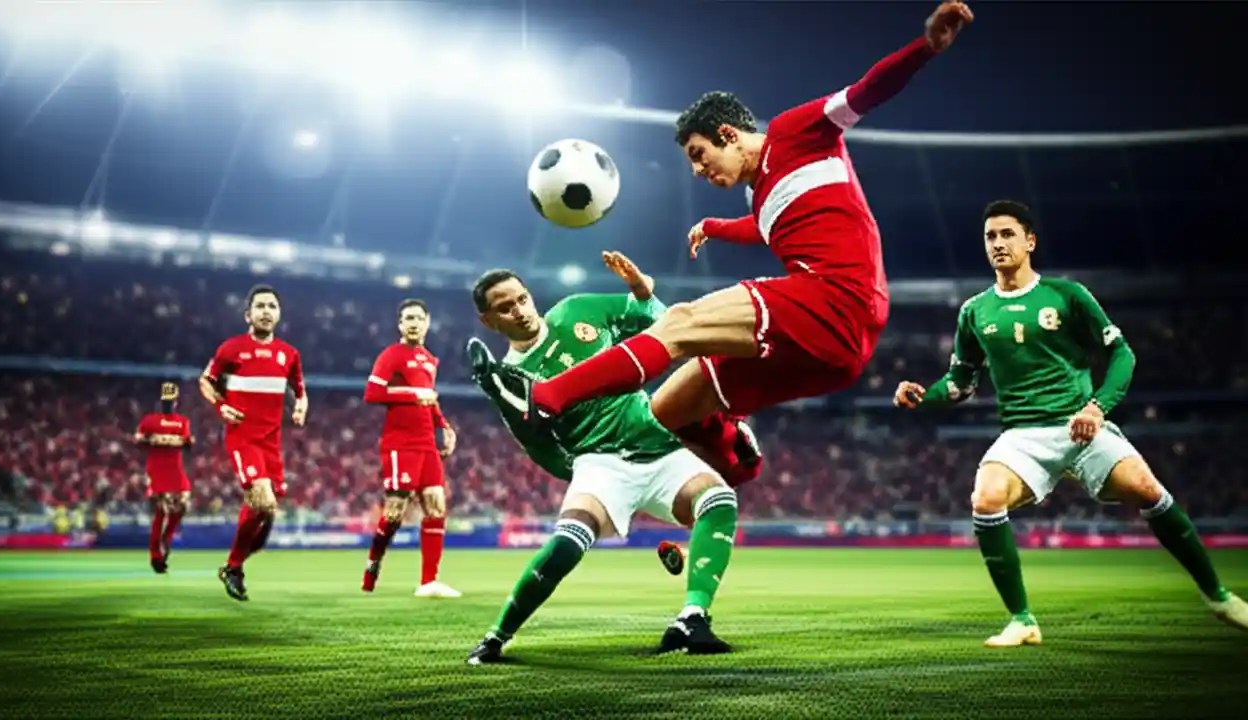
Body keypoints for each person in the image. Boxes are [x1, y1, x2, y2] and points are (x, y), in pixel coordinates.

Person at [505, 2, 974, 439]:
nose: (697, 170)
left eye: (699, 154)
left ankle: (547, 396)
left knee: (680, 323)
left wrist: (924, 48)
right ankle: (723, 483)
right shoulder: (763, 196)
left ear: (728, 134)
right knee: (667, 412)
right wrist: (713, 227)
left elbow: (866, 91)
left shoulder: (796, 134)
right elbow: (764, 227)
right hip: (835, 350)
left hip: (835, 299)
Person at [893, 199, 1248, 646]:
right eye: (990, 236)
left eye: (1007, 234)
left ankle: (1218, 597)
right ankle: (1022, 620)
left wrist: (1096, 407)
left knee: (1146, 488)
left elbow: (1122, 354)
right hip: (1022, 435)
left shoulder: (1068, 295)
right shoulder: (975, 312)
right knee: (985, 498)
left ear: (1030, 241)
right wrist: (924, 397)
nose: (998, 243)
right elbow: (961, 382)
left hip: (1080, 424)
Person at [465, 252, 739, 664]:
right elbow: (536, 445)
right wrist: (576, 469)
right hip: (598, 462)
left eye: (521, 299)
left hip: (654, 442)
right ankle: (496, 637)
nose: (520, 311)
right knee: (566, 546)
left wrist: (641, 290)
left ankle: (692, 618)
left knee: (718, 500)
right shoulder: (512, 380)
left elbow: (659, 323)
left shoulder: (578, 309)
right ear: (489, 322)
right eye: (505, 308)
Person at [198, 284, 308, 602]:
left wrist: (301, 405)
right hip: (243, 438)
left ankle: (234, 565)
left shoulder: (289, 354)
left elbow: (300, 389)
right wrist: (221, 407)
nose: (266, 311)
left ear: (278, 314)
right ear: (248, 314)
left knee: (265, 511)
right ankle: (235, 566)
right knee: (262, 500)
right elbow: (205, 380)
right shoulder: (231, 349)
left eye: (272, 306)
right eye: (260, 306)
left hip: (272, 443)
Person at [362, 299, 461, 598]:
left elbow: (428, 399)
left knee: (436, 506)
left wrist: (444, 425)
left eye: (419, 318)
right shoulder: (391, 355)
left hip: (427, 443)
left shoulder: (430, 359)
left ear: (427, 322)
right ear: (400, 324)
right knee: (395, 512)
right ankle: (374, 562)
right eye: (408, 318)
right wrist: (411, 394)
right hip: (399, 443)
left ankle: (429, 581)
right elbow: (372, 393)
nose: (414, 323)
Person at [133, 381, 193, 574]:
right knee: (161, 510)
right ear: (161, 401)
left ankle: (166, 537)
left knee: (183, 505)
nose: (168, 404)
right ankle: (155, 556)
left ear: (176, 402)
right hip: (156, 470)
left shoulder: (183, 422)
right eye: (165, 401)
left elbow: (187, 442)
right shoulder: (149, 420)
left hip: (176, 469)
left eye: (171, 401)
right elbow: (138, 439)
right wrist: (162, 440)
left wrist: (161, 440)